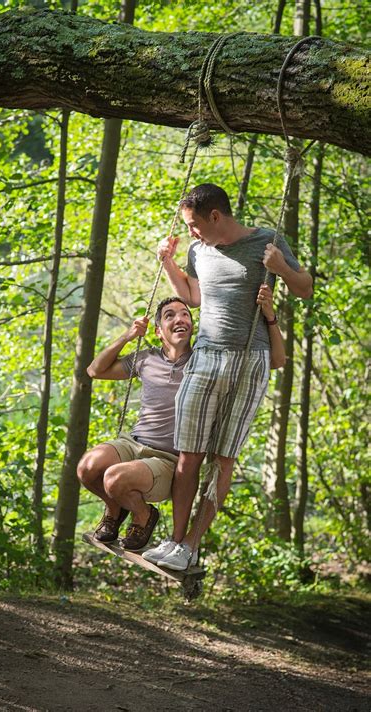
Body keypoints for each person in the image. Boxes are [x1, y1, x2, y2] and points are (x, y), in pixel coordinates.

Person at [143, 182, 312, 570]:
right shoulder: (198, 250)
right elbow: (194, 296)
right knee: (188, 454)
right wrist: (167, 262)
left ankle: (190, 546)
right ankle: (174, 541)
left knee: (222, 458)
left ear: (215, 216)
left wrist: (280, 268)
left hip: (249, 359)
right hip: (205, 356)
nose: (190, 232)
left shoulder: (267, 241)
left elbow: (304, 289)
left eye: (194, 224)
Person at [77, 297, 194, 551]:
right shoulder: (146, 358)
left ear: (192, 326)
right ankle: (114, 508)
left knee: (114, 478)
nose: (179, 319)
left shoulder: (200, 363)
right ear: (158, 331)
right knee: (87, 467)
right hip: (133, 443)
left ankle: (143, 516)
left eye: (185, 314)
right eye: (170, 316)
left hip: (165, 459)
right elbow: (95, 370)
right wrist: (128, 336)